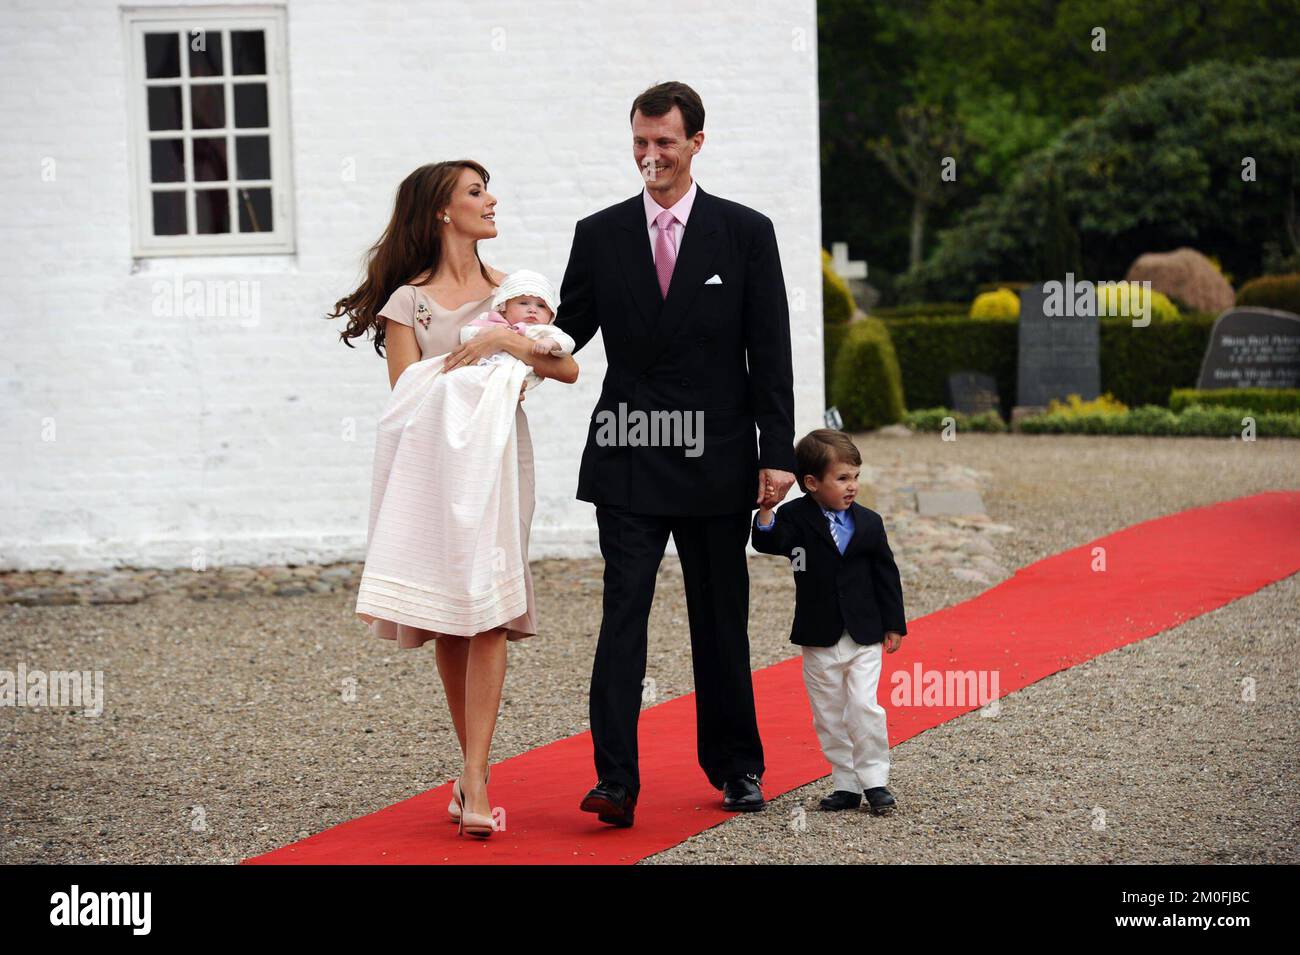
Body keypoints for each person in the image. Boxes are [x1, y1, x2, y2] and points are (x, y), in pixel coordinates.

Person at [553, 81, 797, 827]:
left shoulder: (746, 232)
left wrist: (777, 451)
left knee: (719, 616)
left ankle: (738, 766)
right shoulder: (598, 234)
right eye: (639, 141)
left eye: (663, 142)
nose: (649, 156)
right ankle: (616, 782)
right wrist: (514, 339)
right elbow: (570, 330)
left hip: (716, 454)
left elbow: (770, 347)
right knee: (622, 613)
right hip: (627, 452)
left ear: (697, 141)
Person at [331, 161, 579, 839]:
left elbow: (567, 365)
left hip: (500, 466)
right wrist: (489, 350)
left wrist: (506, 338)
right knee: (452, 618)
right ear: (443, 211)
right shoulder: (408, 302)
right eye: (476, 192)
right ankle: (471, 770)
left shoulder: (516, 290)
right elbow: (405, 396)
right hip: (437, 470)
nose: (491, 199)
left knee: (491, 614)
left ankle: (475, 775)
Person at [750, 429, 908, 814]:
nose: (852, 486)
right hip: (819, 636)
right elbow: (767, 542)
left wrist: (894, 623)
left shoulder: (869, 523)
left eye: (855, 476)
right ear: (811, 483)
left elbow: (886, 575)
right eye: (842, 479)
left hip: (864, 635)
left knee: (863, 706)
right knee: (829, 715)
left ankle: (875, 781)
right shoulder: (796, 518)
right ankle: (846, 783)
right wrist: (768, 509)